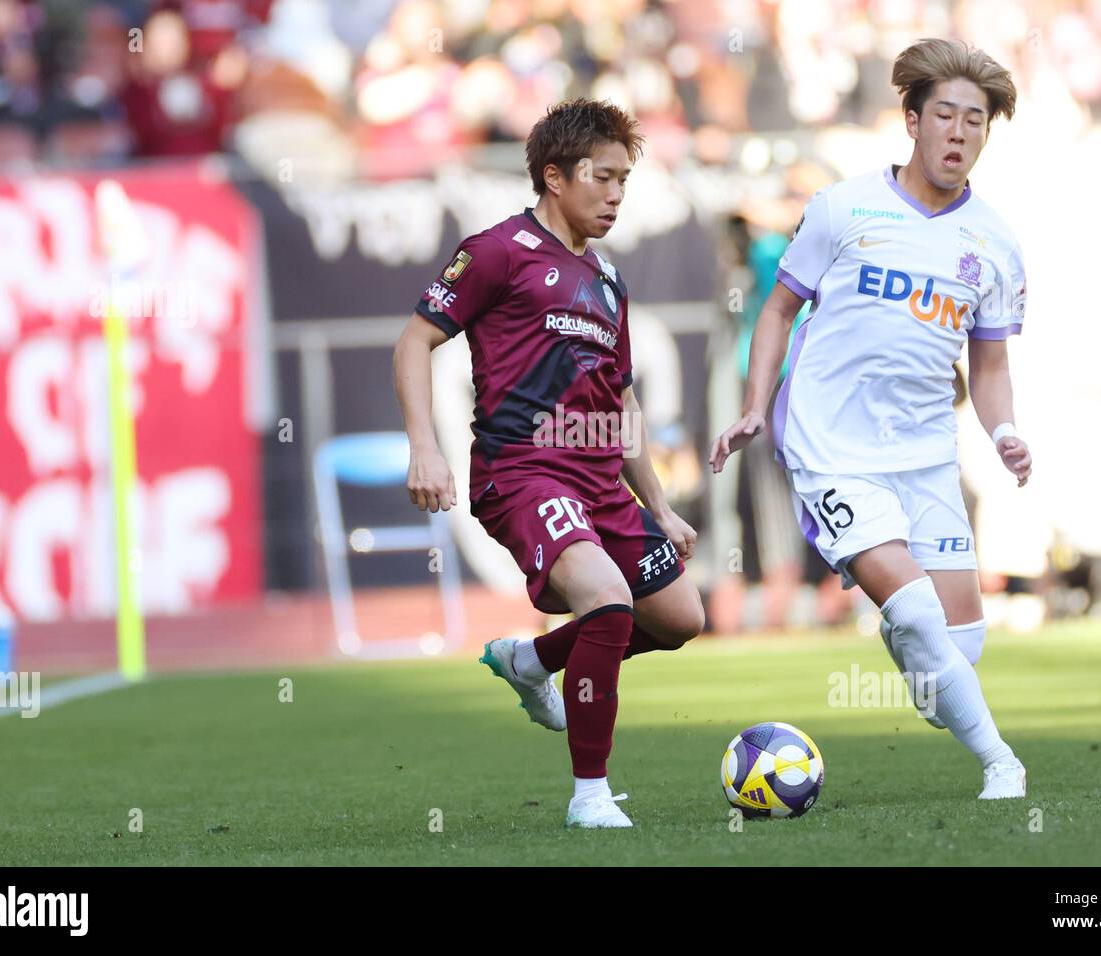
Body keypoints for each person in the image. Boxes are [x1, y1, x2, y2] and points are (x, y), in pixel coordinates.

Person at [710, 38, 1033, 800]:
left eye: (975, 121)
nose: (959, 133)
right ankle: (1002, 764)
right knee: (918, 608)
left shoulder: (995, 244)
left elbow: (988, 367)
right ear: (913, 121)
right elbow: (778, 309)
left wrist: (1006, 432)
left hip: (925, 457)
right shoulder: (842, 207)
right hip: (831, 450)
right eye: (945, 116)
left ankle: (916, 650)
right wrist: (757, 405)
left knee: (958, 652)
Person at [394, 99, 705, 828]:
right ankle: (589, 796)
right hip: (524, 473)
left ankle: (531, 662)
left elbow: (620, 399)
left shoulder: (608, 281)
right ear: (556, 176)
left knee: (680, 618)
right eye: (605, 176)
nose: (618, 194)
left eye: (627, 179)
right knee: (606, 597)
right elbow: (414, 341)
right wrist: (424, 447)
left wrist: (658, 506)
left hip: (603, 484)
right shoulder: (498, 251)